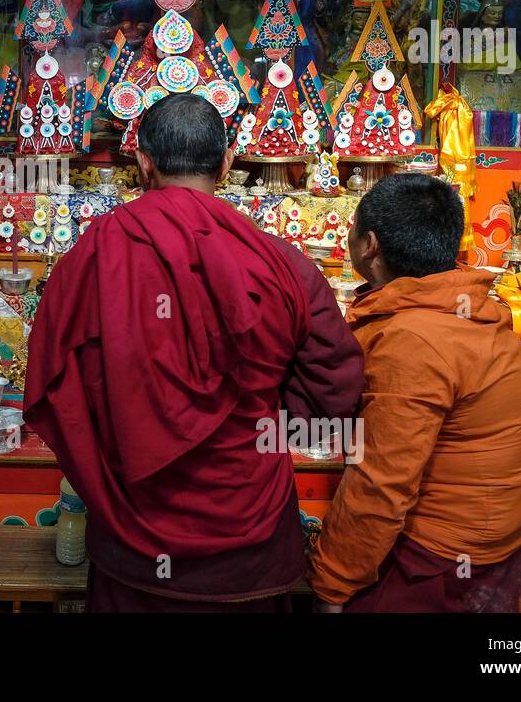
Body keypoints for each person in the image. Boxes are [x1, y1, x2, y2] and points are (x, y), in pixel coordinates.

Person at [25, 93, 365, 611]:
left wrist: (116, 436)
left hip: (134, 530)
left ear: (142, 160)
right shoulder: (282, 264)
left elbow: (55, 380)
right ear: (227, 163)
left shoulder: (93, 255)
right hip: (250, 529)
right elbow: (335, 392)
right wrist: (261, 418)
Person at [307, 174, 521, 612]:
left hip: (439, 550)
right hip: (499, 532)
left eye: (352, 226)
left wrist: (332, 585)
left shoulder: (413, 342)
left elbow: (381, 485)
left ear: (370, 245)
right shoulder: (468, 303)